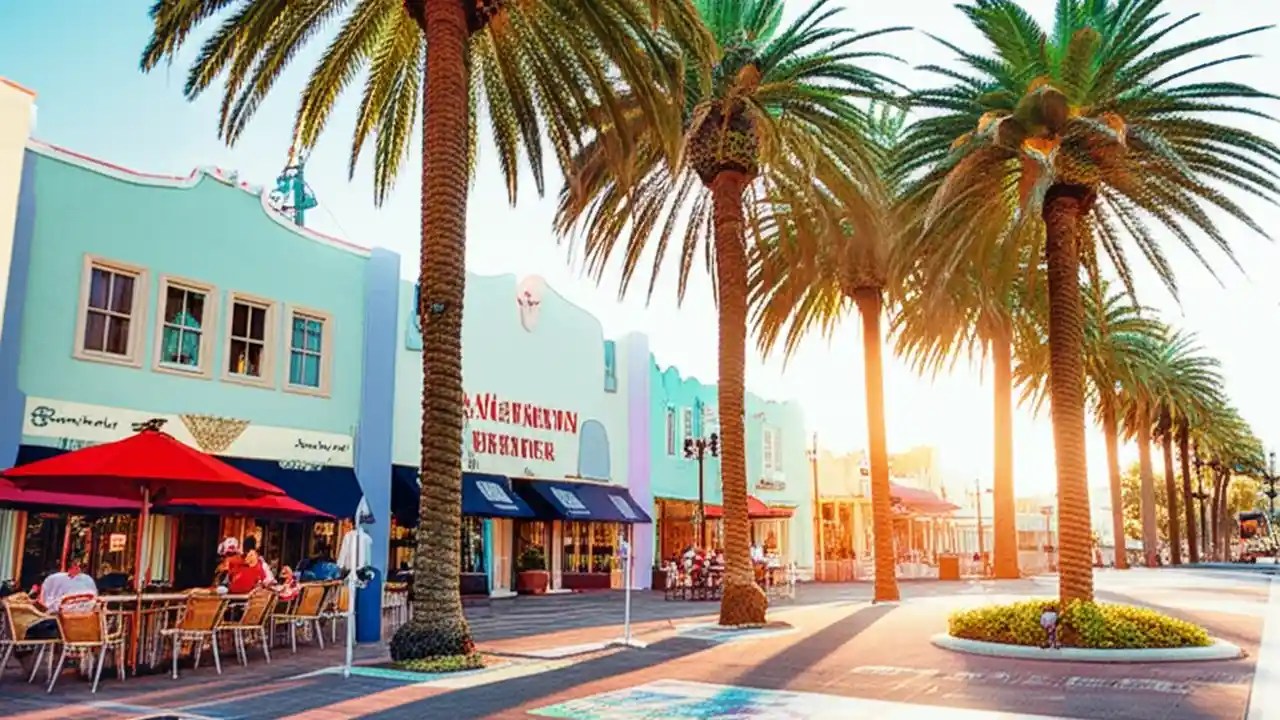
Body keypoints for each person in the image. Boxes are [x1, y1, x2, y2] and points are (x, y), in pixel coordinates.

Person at [27, 557, 98, 639]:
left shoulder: (53, 580)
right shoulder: (88, 580)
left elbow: (44, 605)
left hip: (60, 624)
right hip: (84, 624)